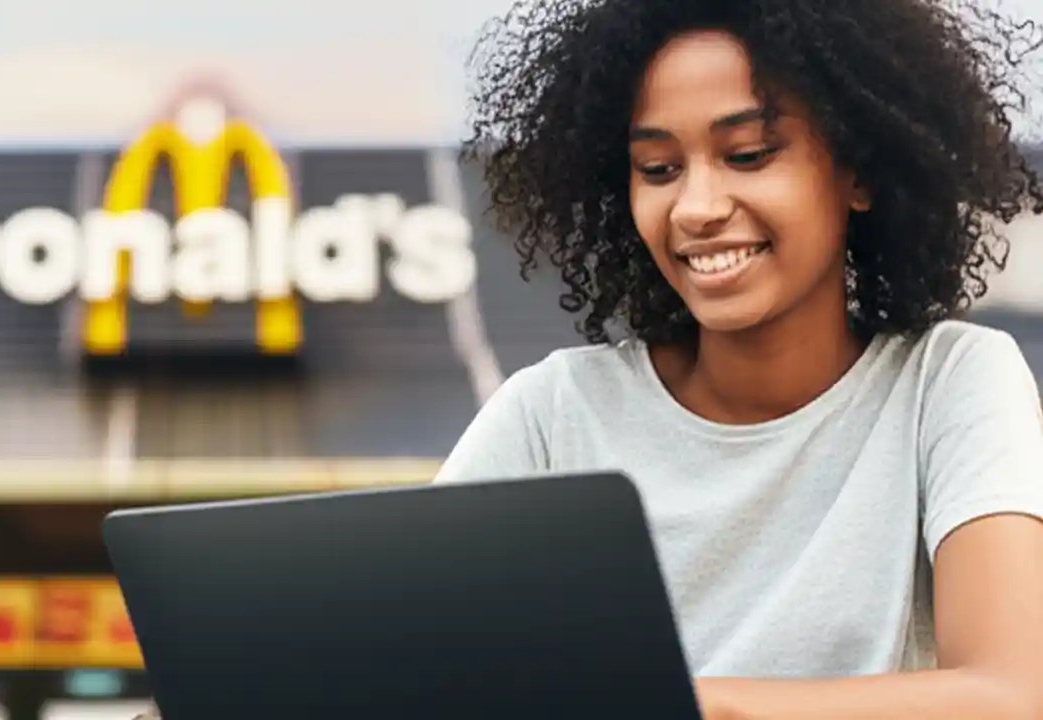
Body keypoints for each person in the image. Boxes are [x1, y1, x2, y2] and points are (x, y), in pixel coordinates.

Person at [435, 0, 1043, 718]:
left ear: (861, 170)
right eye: (657, 168)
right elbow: (397, 657)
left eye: (748, 154)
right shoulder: (552, 415)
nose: (695, 206)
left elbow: (1008, 695)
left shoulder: (950, 382)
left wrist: (688, 706)